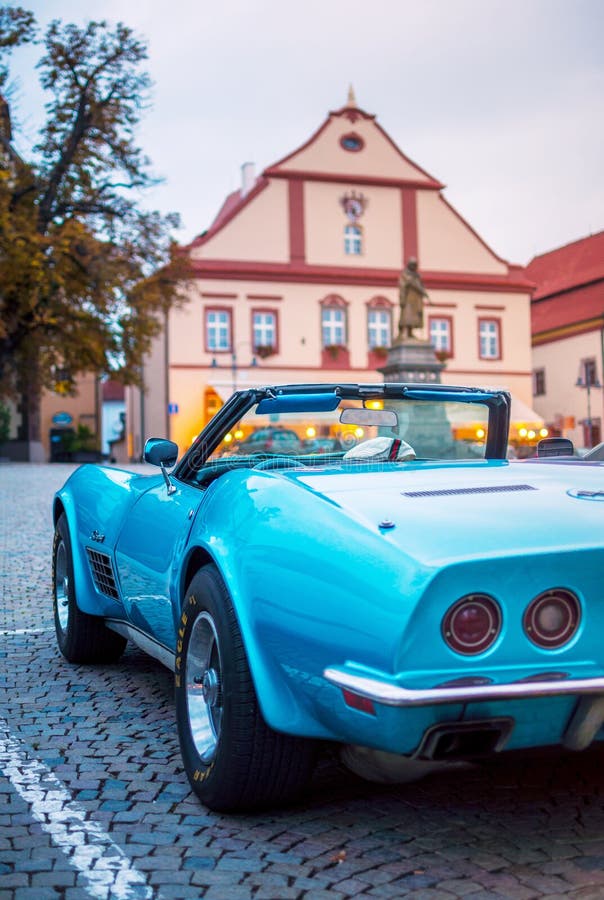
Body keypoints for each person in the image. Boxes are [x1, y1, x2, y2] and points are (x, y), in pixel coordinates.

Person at [397, 258, 429, 340]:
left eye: (415, 265)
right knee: (405, 316)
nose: (414, 267)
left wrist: (423, 292)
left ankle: (410, 333)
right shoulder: (405, 275)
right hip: (408, 298)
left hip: (415, 299)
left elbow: (420, 286)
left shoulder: (416, 276)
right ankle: (402, 332)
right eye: (412, 265)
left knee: (413, 317)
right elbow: (404, 286)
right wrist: (402, 298)